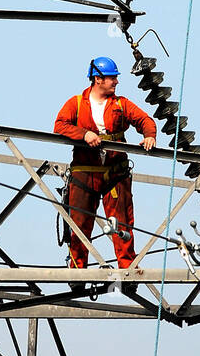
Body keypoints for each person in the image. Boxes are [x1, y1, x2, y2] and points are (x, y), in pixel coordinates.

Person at [54, 56, 156, 272]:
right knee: (79, 224)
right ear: (98, 79)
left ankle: (127, 268)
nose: (116, 82)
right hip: (85, 173)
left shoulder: (121, 104)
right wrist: (84, 134)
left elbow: (145, 120)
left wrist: (149, 136)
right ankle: (77, 271)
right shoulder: (77, 104)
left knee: (122, 223)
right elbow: (60, 125)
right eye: (112, 78)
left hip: (115, 174)